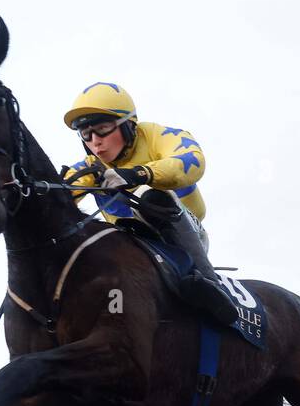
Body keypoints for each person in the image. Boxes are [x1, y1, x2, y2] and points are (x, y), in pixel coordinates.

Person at [61, 81, 237, 326]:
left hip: (185, 234)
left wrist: (139, 174)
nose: (95, 141)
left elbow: (193, 160)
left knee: (148, 194)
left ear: (129, 126)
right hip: (132, 245)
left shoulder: (158, 136)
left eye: (102, 129)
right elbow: (59, 197)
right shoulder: (91, 167)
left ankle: (209, 283)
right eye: (86, 134)